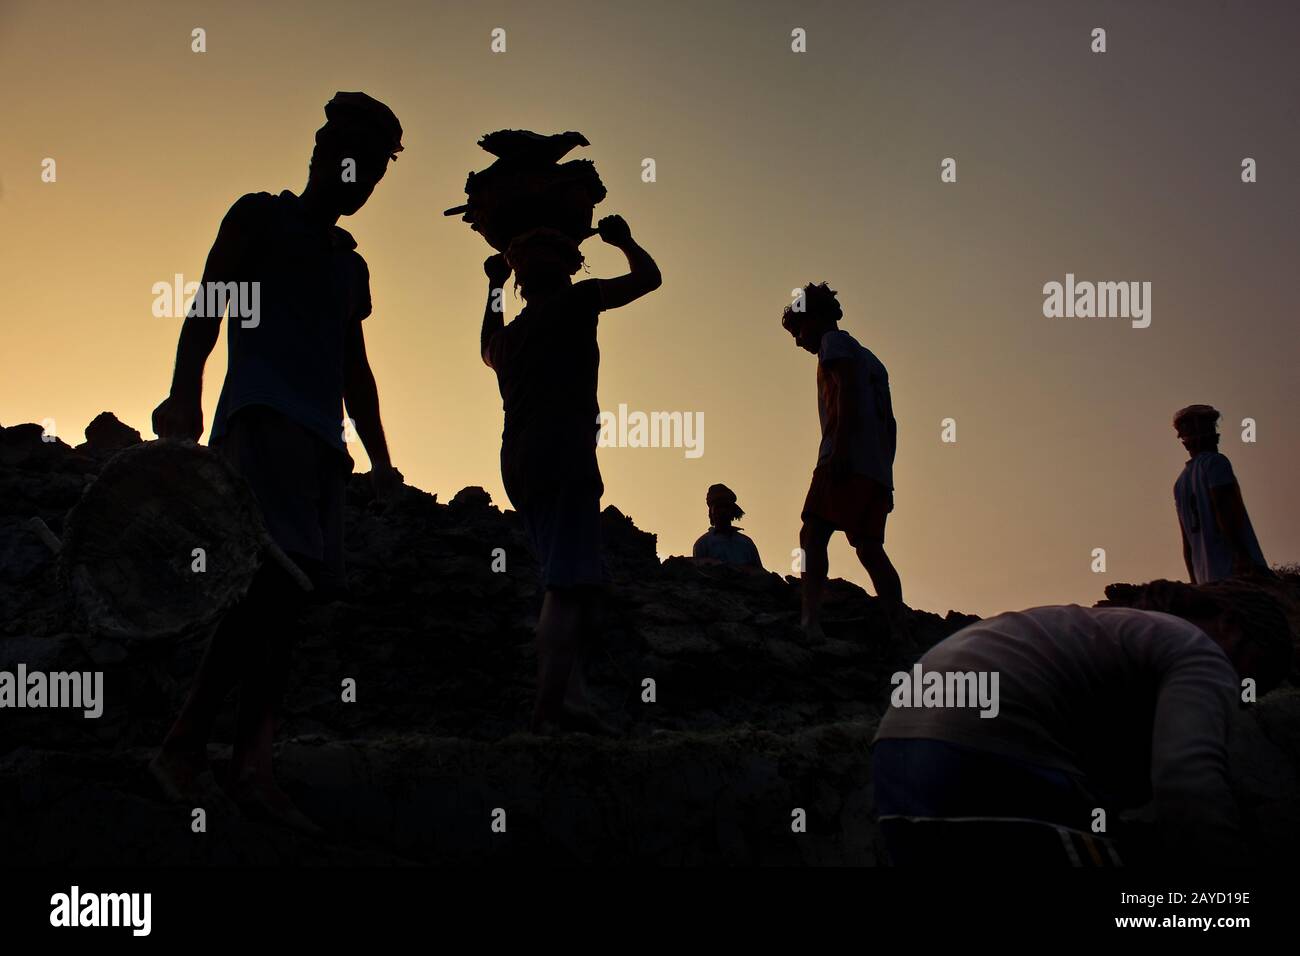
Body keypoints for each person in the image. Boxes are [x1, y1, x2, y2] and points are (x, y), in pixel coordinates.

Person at [148, 92, 405, 829]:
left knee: (285, 605)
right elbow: (210, 305)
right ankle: (191, 746)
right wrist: (182, 395)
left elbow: (355, 366)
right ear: (325, 154)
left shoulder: (348, 266)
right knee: (261, 592)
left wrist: (380, 456)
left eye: (376, 176)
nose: (361, 184)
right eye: (355, 162)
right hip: (261, 422)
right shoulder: (260, 216)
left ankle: (246, 762)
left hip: (323, 445)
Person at [871, 579, 1294, 867]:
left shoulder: (1114, 633)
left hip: (897, 765)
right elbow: (1187, 783)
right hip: (985, 756)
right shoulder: (1203, 652)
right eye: (1257, 678)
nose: (1241, 694)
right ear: (1231, 625)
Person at [481, 215, 661, 733]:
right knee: (566, 585)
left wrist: (493, 288)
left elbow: (485, 340)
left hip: (518, 461)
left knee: (566, 581)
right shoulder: (577, 301)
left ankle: (572, 699)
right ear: (566, 270)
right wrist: (624, 240)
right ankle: (548, 711)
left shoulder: (509, 340)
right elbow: (648, 279)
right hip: (564, 455)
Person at [782, 282, 900, 640]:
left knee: (813, 532)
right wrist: (885, 473)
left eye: (800, 330)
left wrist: (841, 450)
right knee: (869, 548)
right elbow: (891, 423)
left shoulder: (835, 345)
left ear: (818, 318)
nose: (799, 341)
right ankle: (900, 632)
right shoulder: (872, 360)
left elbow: (846, 391)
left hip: (842, 455)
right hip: (875, 468)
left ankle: (810, 621)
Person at [1172, 404, 1268, 584]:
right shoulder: (1216, 463)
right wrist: (1243, 557)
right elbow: (1225, 513)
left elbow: (1187, 544)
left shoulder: (1180, 483)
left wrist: (1194, 581)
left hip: (1206, 579)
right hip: (1234, 572)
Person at [692, 483, 763, 569]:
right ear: (711, 513)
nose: (722, 511)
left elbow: (759, 573)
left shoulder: (746, 543)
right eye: (718, 508)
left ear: (732, 511)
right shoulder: (703, 544)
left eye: (726, 507)